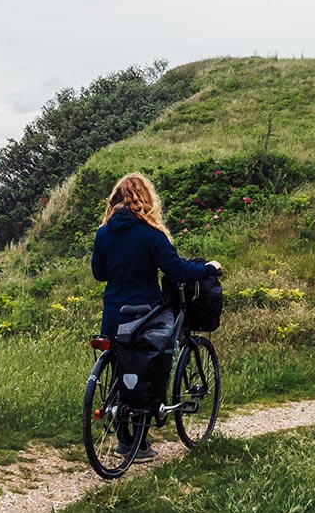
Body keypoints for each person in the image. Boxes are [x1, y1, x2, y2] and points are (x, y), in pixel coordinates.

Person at [90, 173, 221, 460]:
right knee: (146, 370)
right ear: (146, 199)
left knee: (119, 369)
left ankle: (124, 440)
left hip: (113, 311)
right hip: (144, 312)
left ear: (116, 198)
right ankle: (139, 443)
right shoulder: (151, 233)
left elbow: (99, 273)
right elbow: (178, 271)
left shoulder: (104, 232)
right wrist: (209, 268)